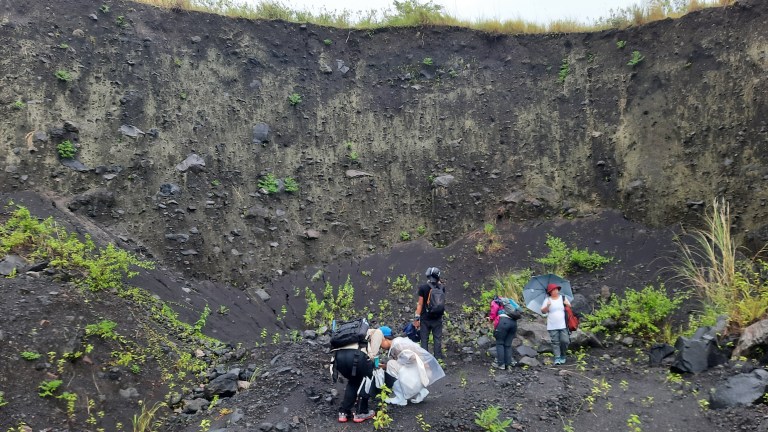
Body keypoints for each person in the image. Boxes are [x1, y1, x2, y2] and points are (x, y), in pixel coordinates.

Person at [334, 325, 394, 423]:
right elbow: (372, 356)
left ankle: (343, 412)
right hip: (356, 356)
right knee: (368, 378)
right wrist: (375, 367)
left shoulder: (359, 335)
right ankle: (361, 412)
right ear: (385, 337)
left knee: (354, 381)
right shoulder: (378, 333)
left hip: (339, 357)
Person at [384, 336, 445, 406]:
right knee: (397, 366)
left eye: (381, 342)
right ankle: (420, 391)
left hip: (419, 371)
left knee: (391, 365)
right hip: (420, 372)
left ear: (386, 339)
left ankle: (400, 398)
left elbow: (409, 358)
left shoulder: (397, 345)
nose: (381, 346)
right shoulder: (400, 341)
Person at [414, 267, 444, 360]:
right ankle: (438, 360)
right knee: (437, 339)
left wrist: (416, 319)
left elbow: (420, 304)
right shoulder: (442, 287)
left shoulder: (423, 287)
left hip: (425, 318)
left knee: (424, 340)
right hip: (437, 318)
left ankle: (424, 361)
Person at [540, 283, 571, 365]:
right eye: (553, 290)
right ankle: (557, 357)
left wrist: (566, 304)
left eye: (556, 289)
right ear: (550, 292)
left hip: (563, 324)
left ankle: (563, 355)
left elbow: (569, 306)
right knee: (555, 342)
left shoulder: (563, 298)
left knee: (565, 341)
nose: (555, 291)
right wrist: (547, 306)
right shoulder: (547, 300)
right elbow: (543, 311)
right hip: (552, 324)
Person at [488, 295, 521, 370]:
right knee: (508, 345)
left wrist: (490, 318)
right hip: (513, 323)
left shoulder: (495, 301)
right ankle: (508, 364)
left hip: (503, 322)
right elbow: (520, 309)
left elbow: (494, 311)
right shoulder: (509, 301)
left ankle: (501, 364)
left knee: (500, 343)